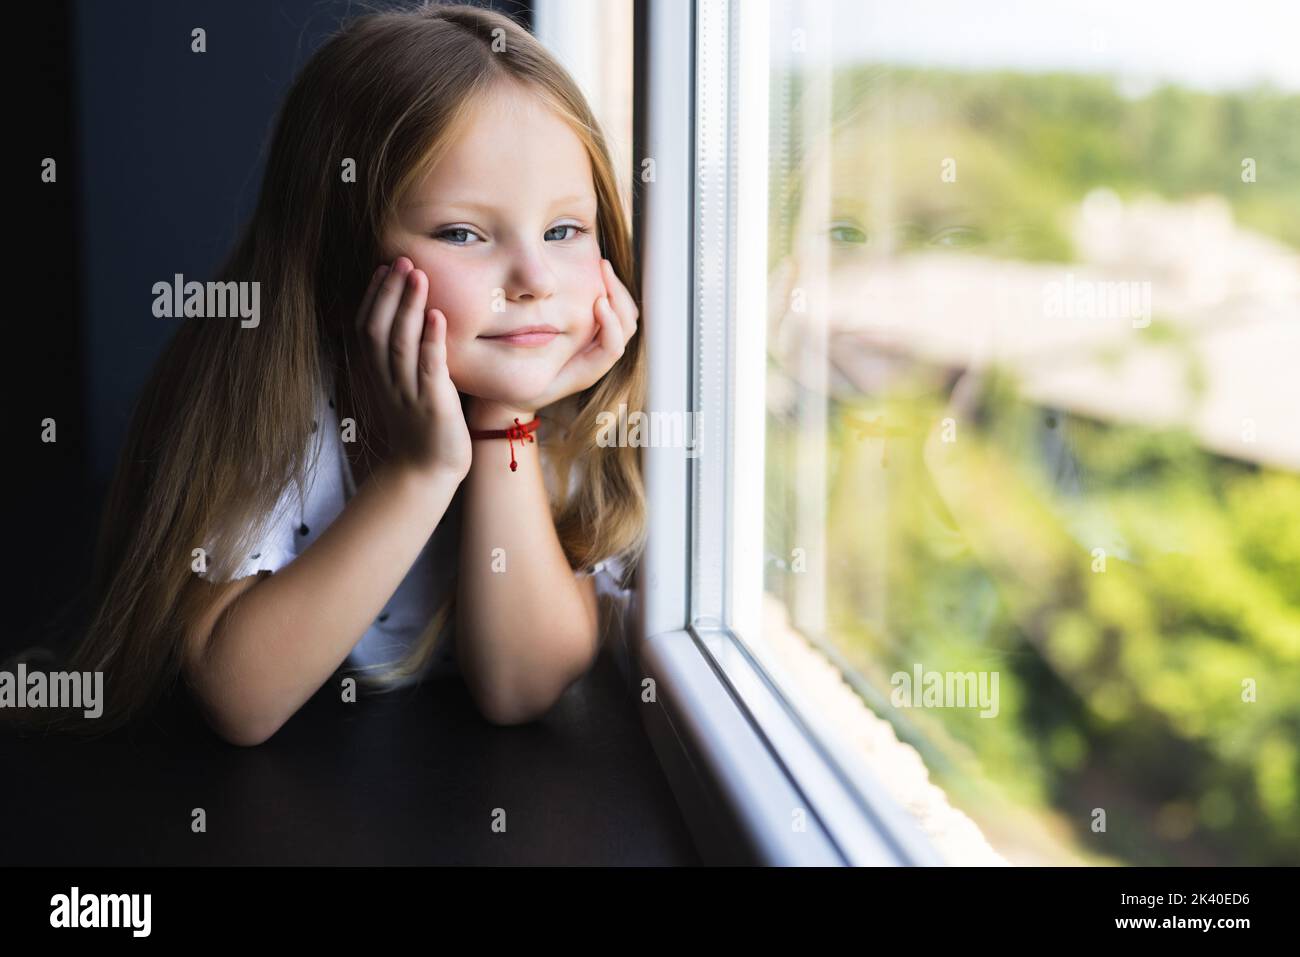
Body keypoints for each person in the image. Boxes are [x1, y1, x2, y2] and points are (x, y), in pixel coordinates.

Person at [10, 3, 646, 745]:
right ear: (342, 262)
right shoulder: (280, 404)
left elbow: (519, 687)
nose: (535, 277)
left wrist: (503, 422)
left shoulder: (562, 410)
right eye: (463, 233)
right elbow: (239, 701)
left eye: (564, 229)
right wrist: (421, 469)